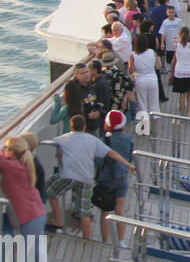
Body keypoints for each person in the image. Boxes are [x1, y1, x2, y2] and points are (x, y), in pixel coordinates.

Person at [48, 115, 136, 240]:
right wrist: (128, 165)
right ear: (84, 127)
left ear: (71, 126)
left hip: (88, 177)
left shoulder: (65, 138)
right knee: (95, 210)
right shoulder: (96, 139)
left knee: (52, 193)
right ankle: (107, 240)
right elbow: (112, 153)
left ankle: (60, 222)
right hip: (103, 177)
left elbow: (99, 162)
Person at [0, 136, 50, 262]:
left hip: (29, 217)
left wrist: (4, 149)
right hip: (36, 213)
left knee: (19, 258)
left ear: (12, 153)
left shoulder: (13, 167)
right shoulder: (23, 165)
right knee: (37, 256)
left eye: (7, 149)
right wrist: (9, 148)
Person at [96, 110, 135, 247]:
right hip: (122, 177)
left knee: (105, 211)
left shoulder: (103, 141)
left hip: (106, 178)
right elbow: (129, 157)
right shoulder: (128, 139)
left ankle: (105, 240)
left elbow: (99, 162)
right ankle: (121, 240)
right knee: (119, 208)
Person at [170, 27, 190, 116]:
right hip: (189, 72)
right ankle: (189, 113)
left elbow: (173, 61)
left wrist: (171, 73)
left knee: (182, 94)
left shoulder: (176, 46)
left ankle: (182, 113)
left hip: (179, 72)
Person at [130, 33, 161, 120]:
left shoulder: (133, 55)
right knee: (154, 103)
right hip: (152, 79)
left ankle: (144, 128)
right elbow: (157, 66)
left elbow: (131, 70)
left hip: (140, 80)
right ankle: (154, 128)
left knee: (142, 105)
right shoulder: (152, 52)